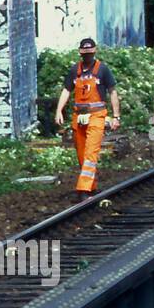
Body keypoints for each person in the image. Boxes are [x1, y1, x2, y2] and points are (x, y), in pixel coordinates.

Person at [54, 38, 121, 200]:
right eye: (85, 54)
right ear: (80, 53)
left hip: (97, 116)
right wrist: (59, 111)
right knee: (82, 154)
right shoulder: (74, 70)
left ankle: (83, 190)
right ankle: (90, 186)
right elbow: (66, 90)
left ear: (94, 52)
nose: (87, 57)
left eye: (90, 53)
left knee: (91, 153)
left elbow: (113, 92)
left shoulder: (103, 70)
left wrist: (116, 116)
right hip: (78, 117)